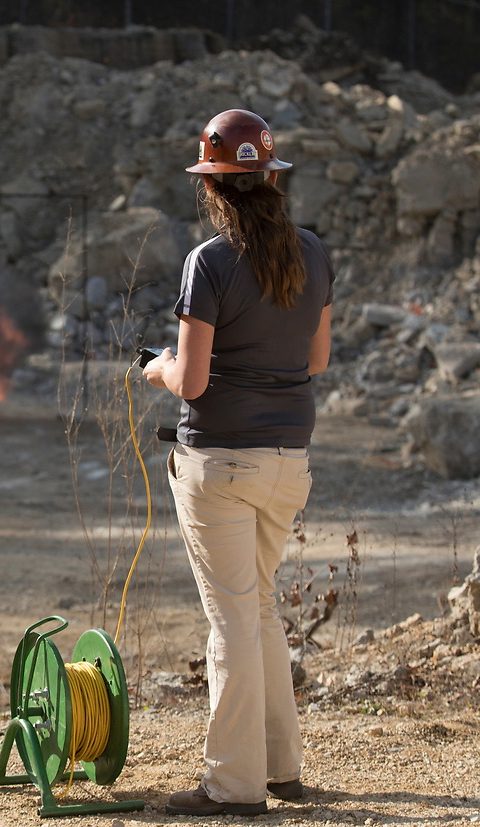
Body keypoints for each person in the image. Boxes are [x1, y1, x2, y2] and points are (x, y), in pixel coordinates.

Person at [142, 108, 335, 817]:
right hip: (290, 461)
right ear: (271, 178)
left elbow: (190, 382)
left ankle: (232, 786)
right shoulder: (313, 252)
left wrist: (157, 368)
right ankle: (281, 769)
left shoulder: (209, 262)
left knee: (232, 621)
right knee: (257, 608)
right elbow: (313, 360)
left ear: (214, 187)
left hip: (219, 465)